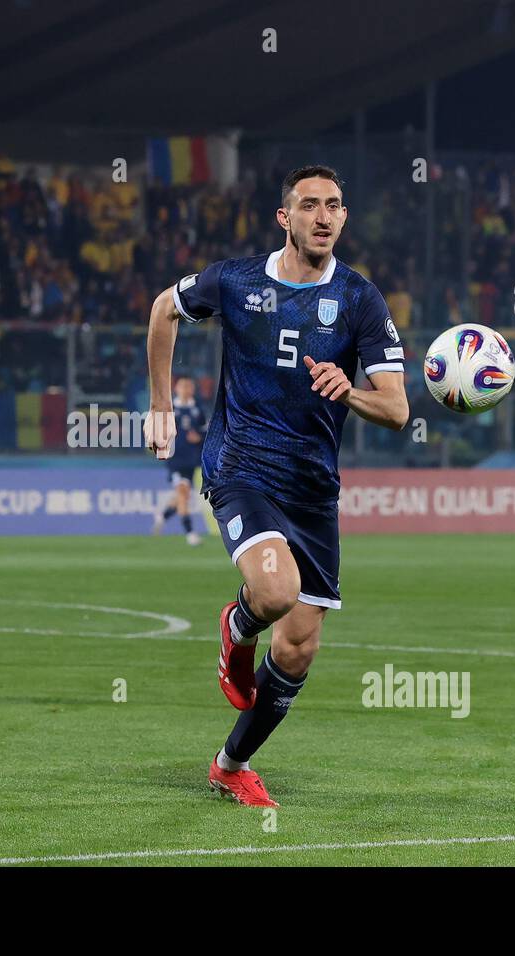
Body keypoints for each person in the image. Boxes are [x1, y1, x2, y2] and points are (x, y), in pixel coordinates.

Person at [145, 165, 409, 807]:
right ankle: (237, 625)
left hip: (313, 490)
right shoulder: (233, 280)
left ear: (345, 218)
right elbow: (163, 309)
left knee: (297, 651)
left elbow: (397, 409)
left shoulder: (359, 298)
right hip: (241, 466)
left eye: (335, 206)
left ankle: (230, 764)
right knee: (276, 590)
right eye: (310, 205)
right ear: (284, 217)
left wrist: (351, 390)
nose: (324, 216)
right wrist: (158, 407)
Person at [150, 374, 207, 545]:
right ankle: (190, 533)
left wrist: (200, 437)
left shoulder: (198, 409)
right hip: (174, 459)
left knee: (183, 495)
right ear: (176, 389)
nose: (186, 390)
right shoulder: (169, 408)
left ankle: (162, 515)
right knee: (183, 493)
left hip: (191, 459)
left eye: (189, 386)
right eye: (183, 386)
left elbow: (206, 432)